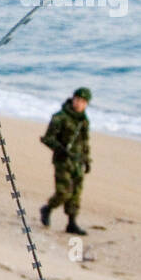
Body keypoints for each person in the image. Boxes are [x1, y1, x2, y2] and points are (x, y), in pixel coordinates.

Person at [40, 87, 93, 235]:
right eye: (77, 100)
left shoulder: (84, 121)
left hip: (78, 161)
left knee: (76, 193)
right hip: (63, 161)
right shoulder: (60, 117)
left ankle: (71, 223)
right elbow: (47, 138)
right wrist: (60, 148)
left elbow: (85, 142)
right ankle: (48, 208)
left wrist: (87, 160)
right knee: (63, 192)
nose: (79, 104)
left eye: (83, 102)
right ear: (73, 99)